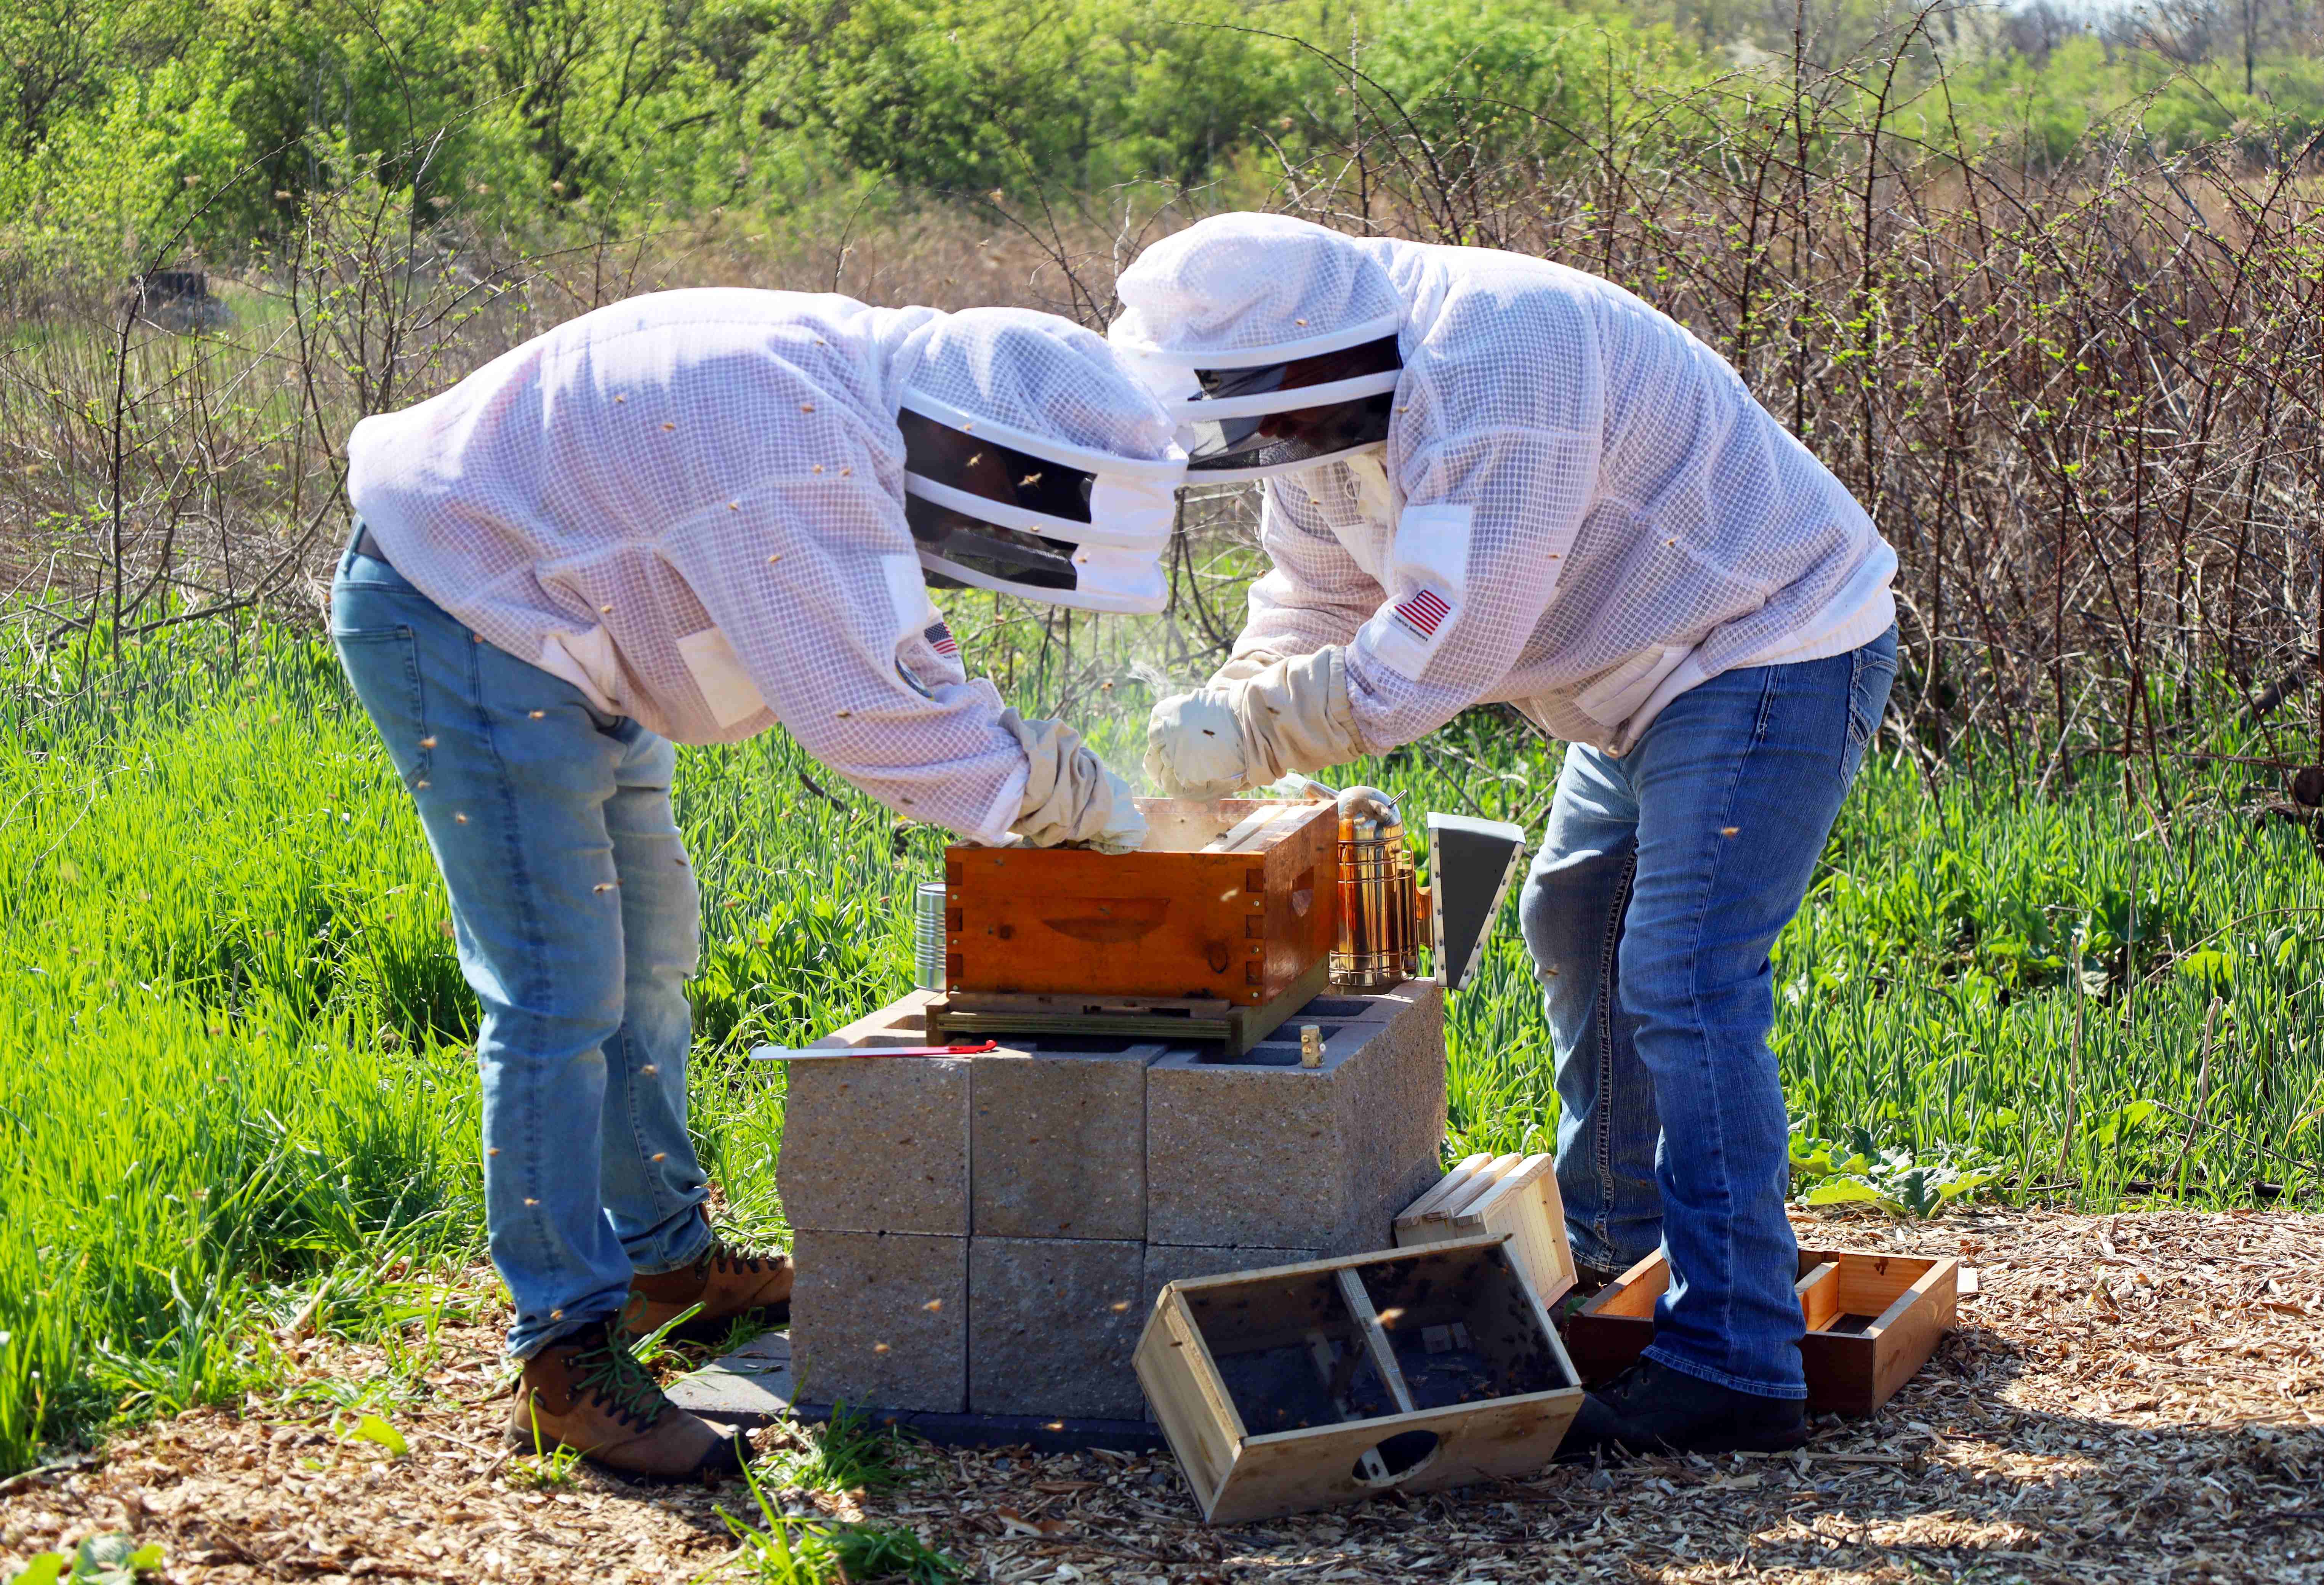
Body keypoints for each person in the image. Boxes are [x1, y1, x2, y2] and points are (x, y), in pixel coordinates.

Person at [332, 290, 1181, 1481]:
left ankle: (664, 1262)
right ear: (975, 445)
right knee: (561, 990)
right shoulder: (794, 448)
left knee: (651, 956)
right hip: (468, 611)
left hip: (565, 612)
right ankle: (565, 1359)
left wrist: (1033, 770)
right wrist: (1054, 802)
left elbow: (881, 651)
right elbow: (864, 708)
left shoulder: (843, 399)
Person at [1120, 213, 1898, 1456]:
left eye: (1270, 411)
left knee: (1686, 976)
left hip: (1763, 636)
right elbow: (1319, 594)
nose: (1264, 441)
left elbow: (1452, 642)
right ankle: (1623, 1243)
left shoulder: (1501, 364)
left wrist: (1267, 734)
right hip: (1625, 670)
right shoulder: (1307, 400)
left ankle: (1737, 1360)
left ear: (1324, 356)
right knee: (1575, 918)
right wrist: (1236, 700)